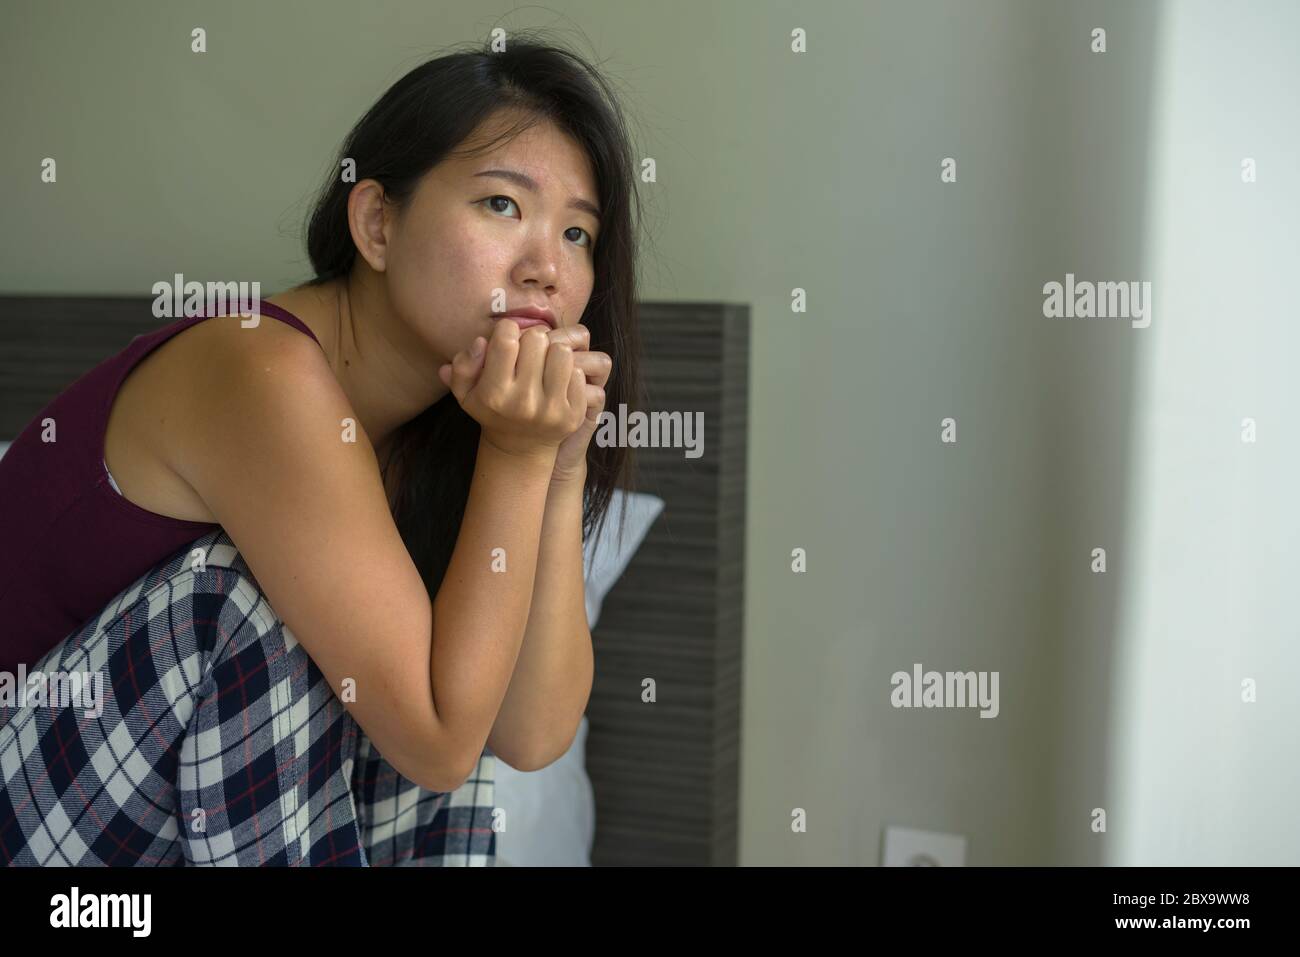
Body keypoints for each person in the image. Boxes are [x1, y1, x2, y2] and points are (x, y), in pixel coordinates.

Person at [0, 33, 644, 865]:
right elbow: (440, 742)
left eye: (579, 235)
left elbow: (522, 732)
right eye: (502, 205)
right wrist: (516, 457)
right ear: (376, 222)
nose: (547, 269)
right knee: (242, 600)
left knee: (445, 656)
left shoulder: (451, 437)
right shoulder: (261, 371)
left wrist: (553, 459)